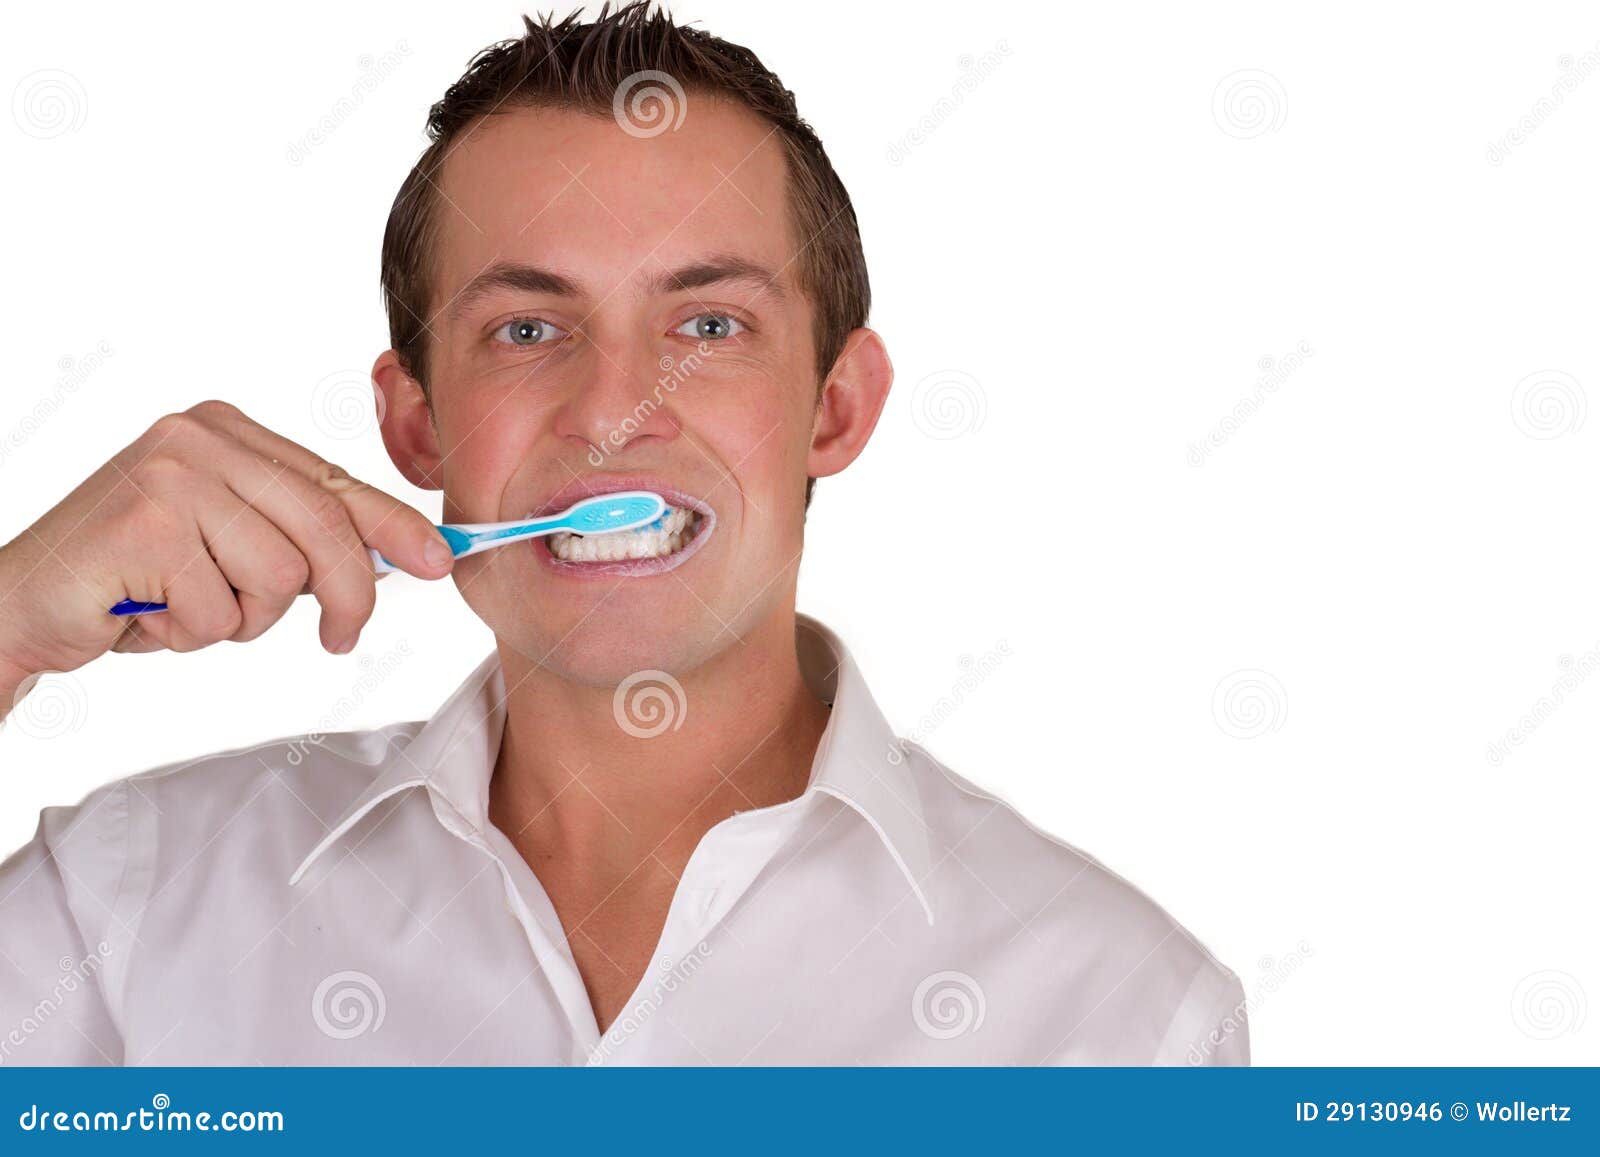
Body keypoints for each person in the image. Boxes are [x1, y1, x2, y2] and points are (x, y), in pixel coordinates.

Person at [0, 2, 1247, 1065]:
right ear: (418, 427)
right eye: (527, 331)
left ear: (835, 406)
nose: (610, 413)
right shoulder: (125, 911)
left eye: (708, 326)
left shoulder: (1126, 1020)